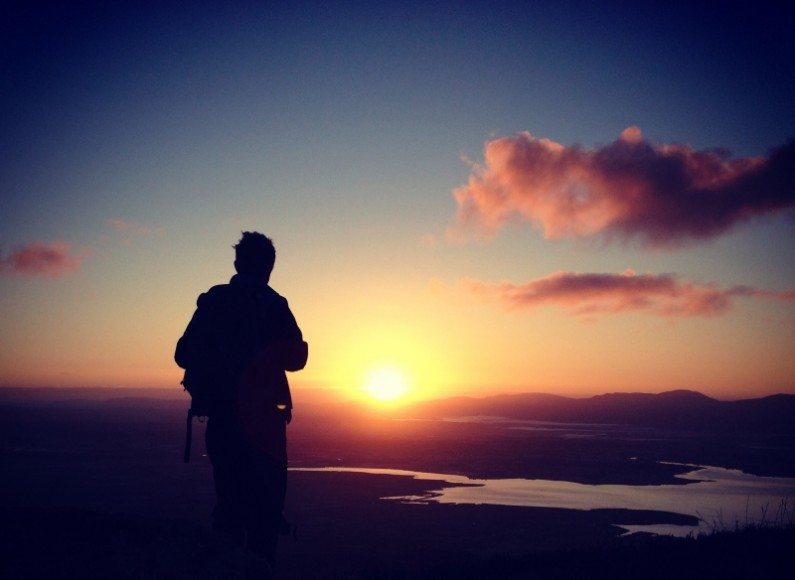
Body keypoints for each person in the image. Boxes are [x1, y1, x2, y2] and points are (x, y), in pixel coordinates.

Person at [174, 231, 307, 564]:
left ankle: (226, 567)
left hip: (221, 418)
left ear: (236, 262)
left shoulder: (214, 300)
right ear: (269, 267)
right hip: (264, 424)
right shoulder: (274, 305)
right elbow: (297, 360)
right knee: (265, 511)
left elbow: (182, 353)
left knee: (229, 502)